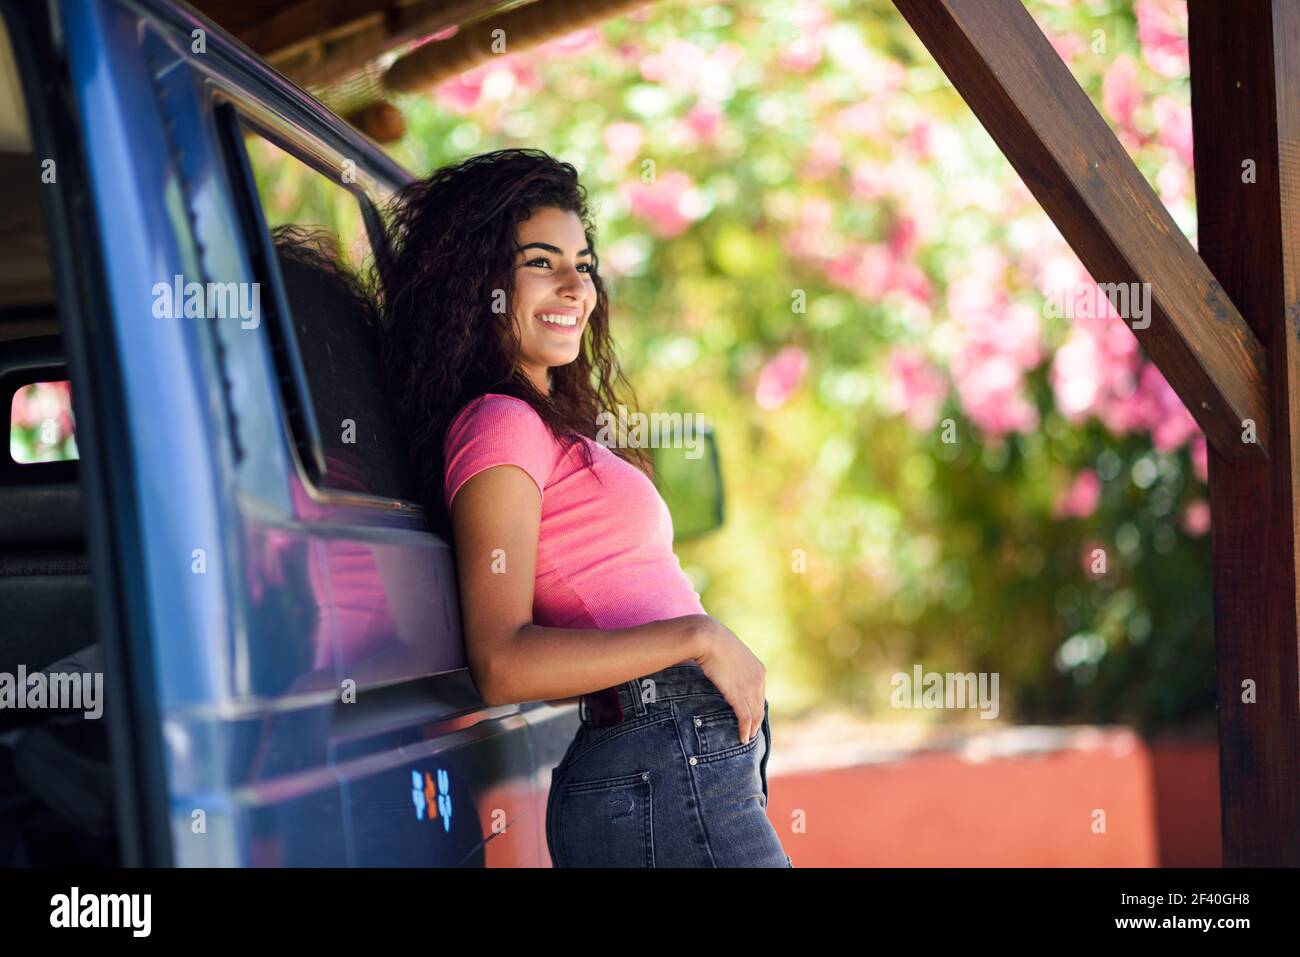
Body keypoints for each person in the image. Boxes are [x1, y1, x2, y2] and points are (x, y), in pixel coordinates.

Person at [376, 148, 791, 867]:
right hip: (664, 755)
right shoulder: (497, 424)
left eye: (584, 262)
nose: (576, 284)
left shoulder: (539, 420)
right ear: (478, 283)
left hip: (674, 758)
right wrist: (697, 636)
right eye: (541, 261)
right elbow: (502, 660)